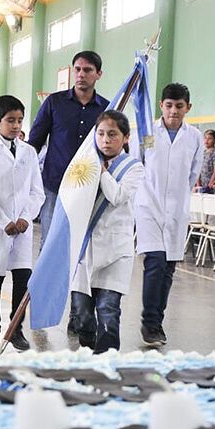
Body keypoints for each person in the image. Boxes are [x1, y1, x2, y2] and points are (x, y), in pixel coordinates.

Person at [0, 95, 45, 353]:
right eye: (10, 120)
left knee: (23, 281)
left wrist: (25, 217)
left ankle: (16, 330)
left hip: (22, 230)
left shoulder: (29, 151)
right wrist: (3, 221)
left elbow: (38, 191)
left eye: (20, 120)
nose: (15, 126)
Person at [134, 82, 203, 348]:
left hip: (177, 208)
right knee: (155, 262)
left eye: (180, 106)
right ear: (161, 105)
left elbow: (193, 173)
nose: (174, 111)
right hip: (149, 206)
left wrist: (179, 199)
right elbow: (138, 163)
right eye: (169, 105)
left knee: (168, 269)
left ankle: (157, 322)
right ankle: (149, 323)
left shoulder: (194, 137)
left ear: (188, 108)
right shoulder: (148, 131)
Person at [70, 110, 145, 354]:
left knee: (108, 312)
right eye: (101, 134)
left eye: (112, 134)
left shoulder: (133, 167)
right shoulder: (85, 164)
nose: (105, 140)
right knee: (81, 317)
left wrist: (101, 173)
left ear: (125, 137)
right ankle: (89, 353)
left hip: (116, 251)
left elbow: (117, 196)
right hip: (85, 249)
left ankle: (107, 363)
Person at [28, 50, 108, 247]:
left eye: (87, 70)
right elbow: (34, 143)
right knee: (50, 243)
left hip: (89, 189)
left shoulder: (106, 109)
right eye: (78, 69)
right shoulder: (54, 103)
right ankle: (46, 279)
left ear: (98, 74)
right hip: (54, 186)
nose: (81, 74)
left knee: (81, 247)